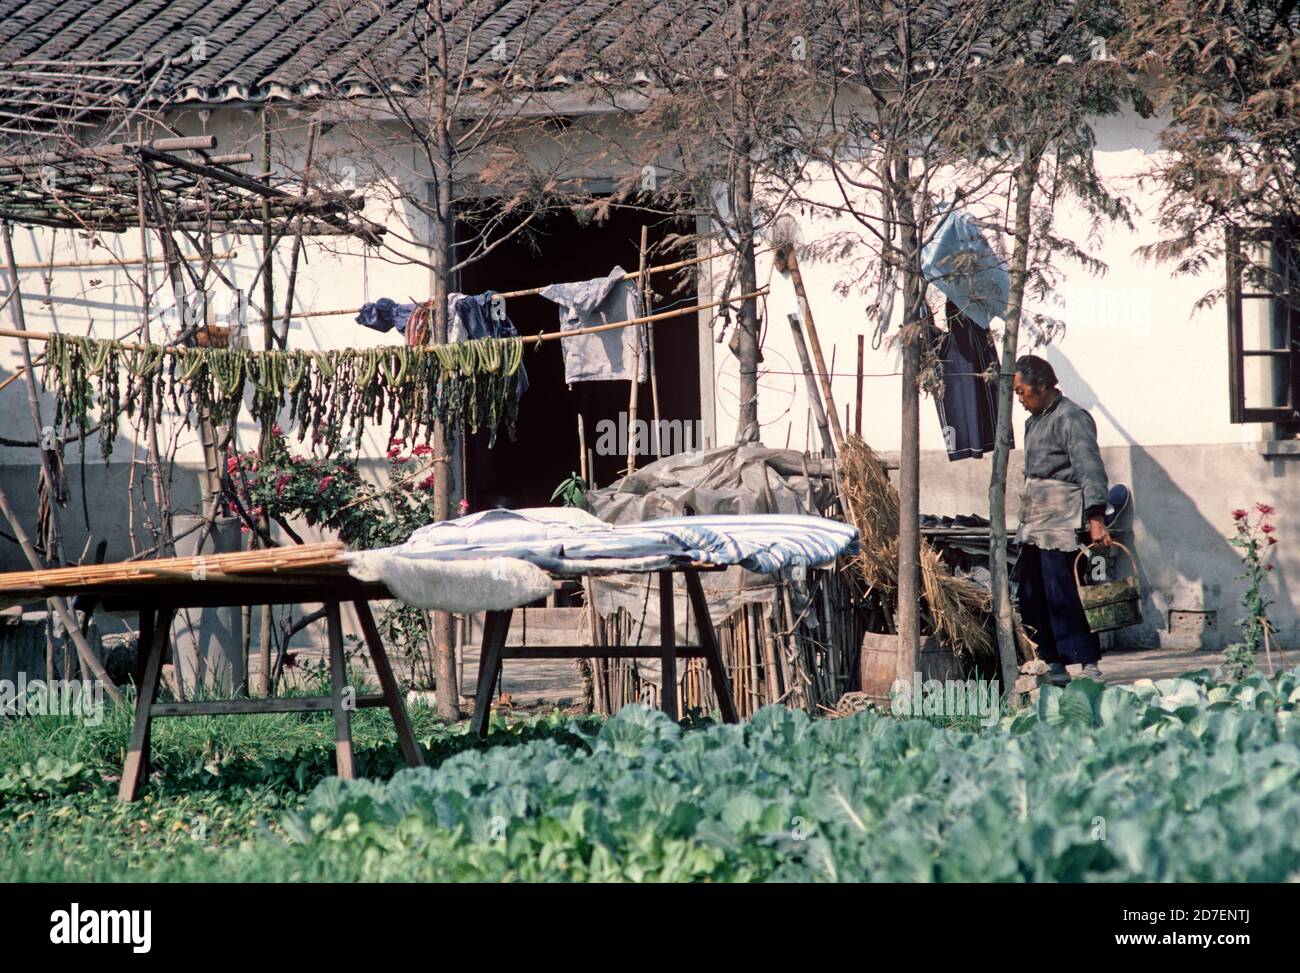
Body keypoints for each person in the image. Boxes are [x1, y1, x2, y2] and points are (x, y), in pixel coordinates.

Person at [1012, 354, 1111, 685]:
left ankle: (1087, 663)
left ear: (1041, 385)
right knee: (1031, 591)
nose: (1020, 398)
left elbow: (1089, 467)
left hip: (1062, 515)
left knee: (1063, 590)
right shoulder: (1033, 421)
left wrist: (1096, 516)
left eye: (1022, 390)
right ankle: (1053, 661)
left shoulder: (1072, 418)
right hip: (1035, 514)